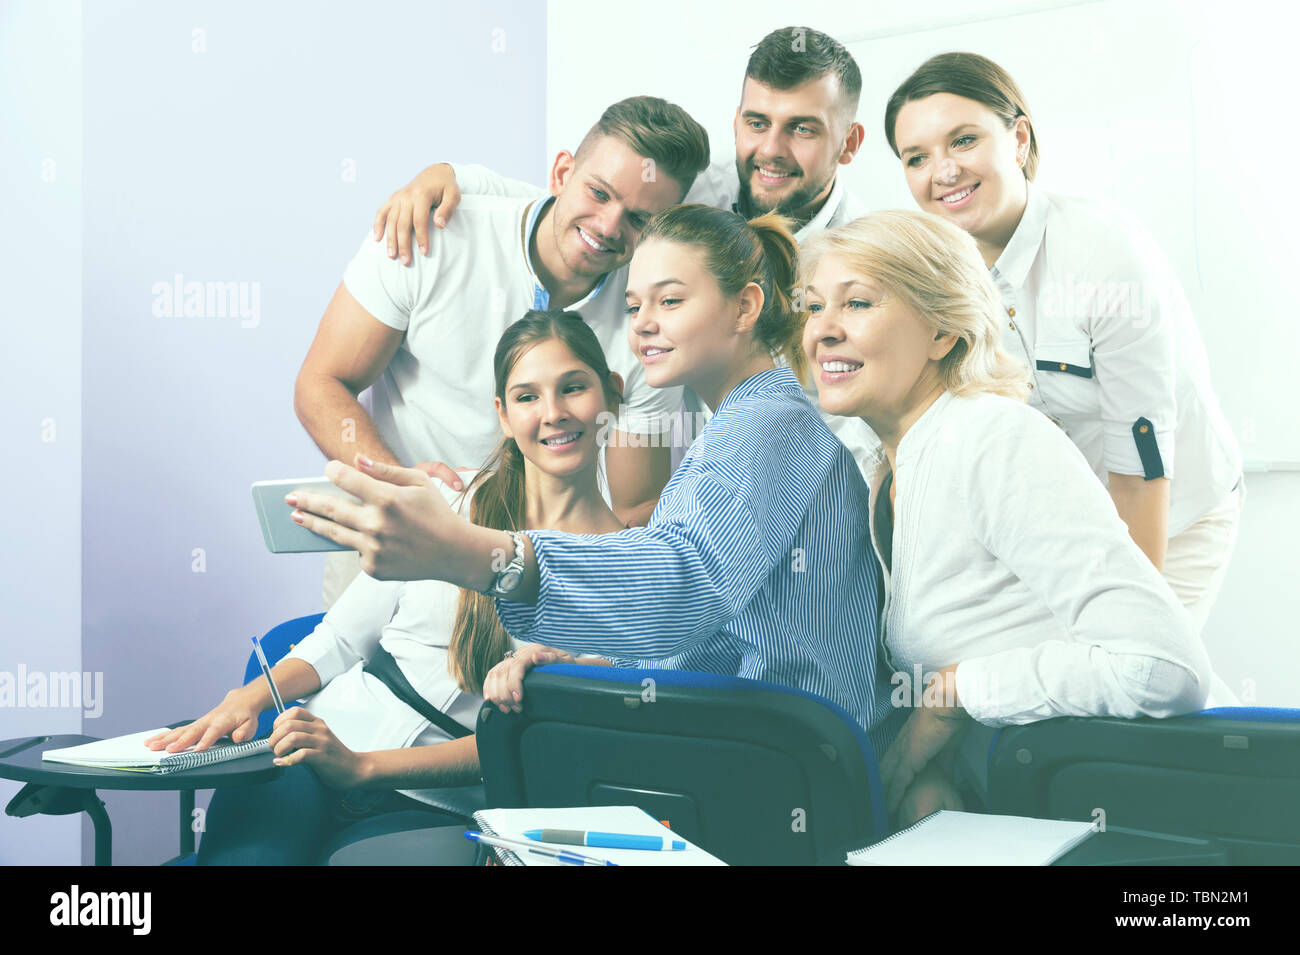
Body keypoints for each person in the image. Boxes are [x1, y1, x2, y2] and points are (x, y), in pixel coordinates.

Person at [289, 204, 899, 752]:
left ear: (745, 306)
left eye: (670, 300)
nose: (644, 324)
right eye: (633, 306)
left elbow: (683, 586)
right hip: (763, 742)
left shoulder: (768, 426)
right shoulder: (740, 424)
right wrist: (595, 659)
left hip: (782, 760)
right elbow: (715, 629)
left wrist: (489, 556)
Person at [147, 311, 627, 864]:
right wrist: (248, 697)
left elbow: (522, 742)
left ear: (610, 394)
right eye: (526, 396)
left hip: (434, 802)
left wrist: (360, 767)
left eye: (573, 387)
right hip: (314, 752)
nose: (553, 414)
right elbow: (343, 639)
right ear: (502, 414)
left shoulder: (630, 574)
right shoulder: (446, 504)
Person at [800, 210, 1216, 826]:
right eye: (812, 307)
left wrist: (957, 693)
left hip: (1142, 823)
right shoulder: (878, 465)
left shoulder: (993, 439)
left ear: (943, 333)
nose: (823, 331)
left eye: (857, 303)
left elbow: (1165, 671)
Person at [369, 26, 879, 467]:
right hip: (676, 491)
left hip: (793, 500)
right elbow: (577, 208)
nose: (771, 149)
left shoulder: (864, 260)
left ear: (850, 143)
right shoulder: (689, 189)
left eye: (803, 129)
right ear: (737, 121)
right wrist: (449, 175)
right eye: (757, 122)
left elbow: (866, 418)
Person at [294, 95, 710, 607]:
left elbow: (634, 508)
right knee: (343, 677)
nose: (607, 226)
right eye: (598, 193)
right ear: (562, 173)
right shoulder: (433, 233)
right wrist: (400, 489)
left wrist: (566, 598)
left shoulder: (650, 329)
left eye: (639, 220)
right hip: (389, 535)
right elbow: (322, 383)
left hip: (530, 575)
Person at [884, 52, 1244, 638]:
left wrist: (1128, 635)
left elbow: (1142, 467)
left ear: (1018, 137)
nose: (942, 172)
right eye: (916, 158)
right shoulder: (934, 277)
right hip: (1068, 520)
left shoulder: (1105, 256)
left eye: (964, 140)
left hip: (1172, 512)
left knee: (1132, 686)